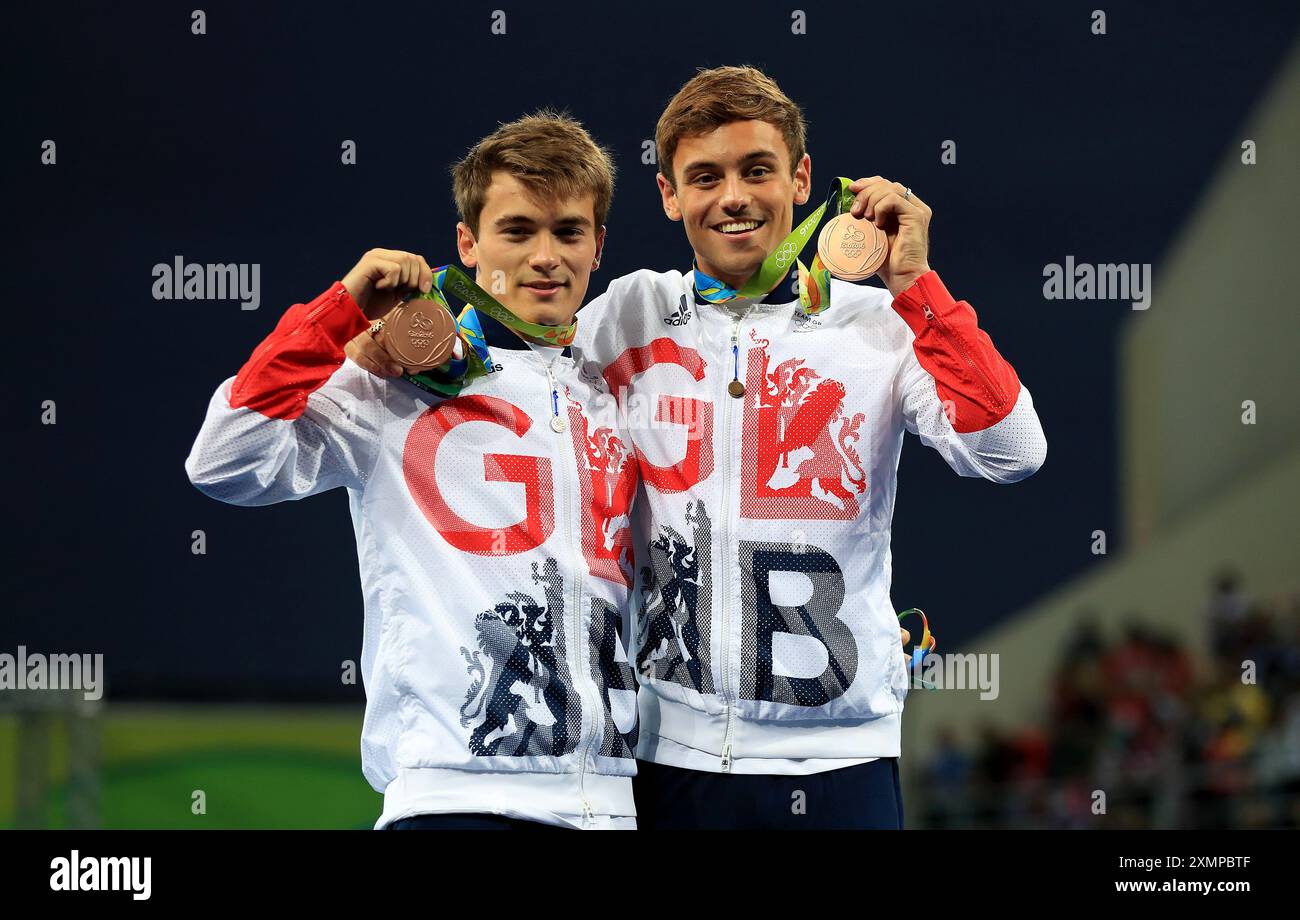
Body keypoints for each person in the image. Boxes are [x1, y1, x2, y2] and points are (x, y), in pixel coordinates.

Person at [571, 65, 1047, 829]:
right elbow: (518, 391)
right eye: (704, 176)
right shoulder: (631, 313)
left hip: (841, 765)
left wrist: (918, 286)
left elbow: (1013, 449)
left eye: (756, 170)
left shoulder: (881, 323)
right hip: (672, 762)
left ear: (801, 179)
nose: (733, 196)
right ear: (669, 196)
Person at [185, 112, 642, 830]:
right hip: (452, 799)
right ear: (467, 243)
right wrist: (337, 317)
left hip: (611, 803)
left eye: (568, 232)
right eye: (517, 231)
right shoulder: (390, 383)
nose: (546, 256)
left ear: (599, 246)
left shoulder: (616, 393)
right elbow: (223, 459)